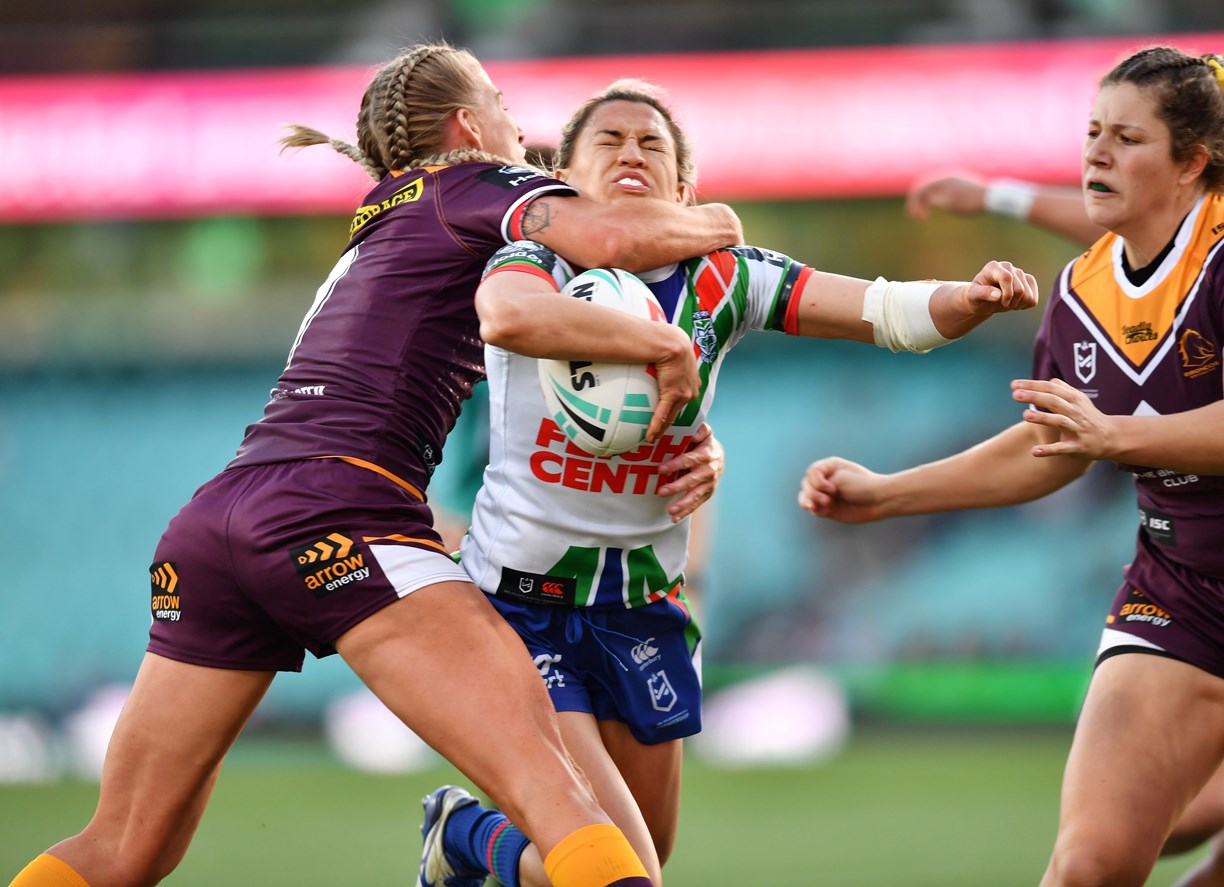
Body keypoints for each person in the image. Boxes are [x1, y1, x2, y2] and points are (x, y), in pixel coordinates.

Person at [6, 42, 747, 887]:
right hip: (341, 515)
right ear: (468, 126)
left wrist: (688, 435)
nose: (518, 128)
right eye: (502, 105)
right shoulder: (475, 183)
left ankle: (470, 842)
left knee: (122, 848)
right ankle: (467, 839)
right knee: (571, 808)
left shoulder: (388, 221)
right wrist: (721, 226)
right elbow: (615, 236)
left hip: (215, 525)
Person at [414, 78, 1039, 887]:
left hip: (642, 604)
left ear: (683, 191)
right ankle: (467, 836)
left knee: (649, 844)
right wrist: (661, 349)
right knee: (621, 870)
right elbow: (505, 316)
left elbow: (881, 310)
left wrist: (969, 299)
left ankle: (469, 839)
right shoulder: (531, 258)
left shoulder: (725, 279)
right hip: (522, 605)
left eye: (653, 145)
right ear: (561, 180)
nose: (632, 152)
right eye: (609, 140)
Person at [800, 46, 1224, 887]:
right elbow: (1051, 446)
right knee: (1094, 862)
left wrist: (1117, 436)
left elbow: (1101, 436)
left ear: (1191, 164)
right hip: (1182, 595)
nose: (1098, 152)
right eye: (1093, 132)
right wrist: (886, 495)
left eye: (1127, 138)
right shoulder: (1079, 294)